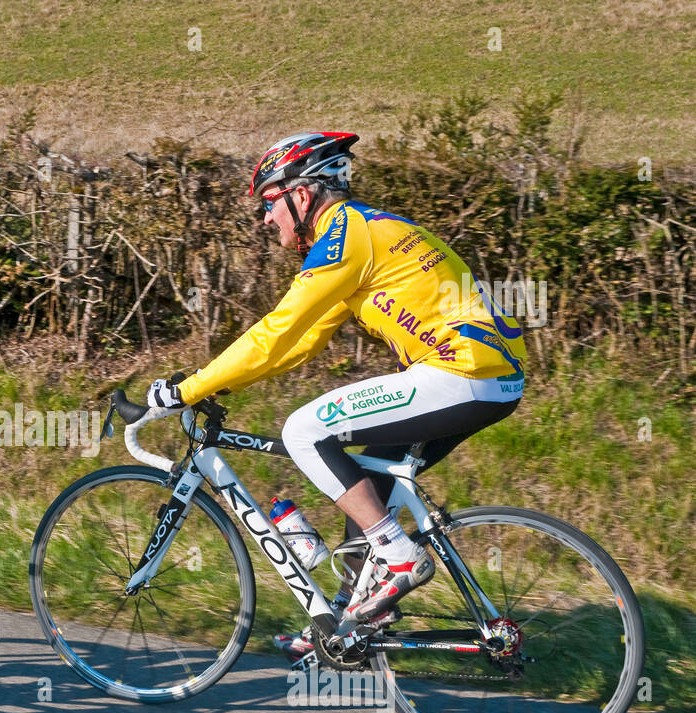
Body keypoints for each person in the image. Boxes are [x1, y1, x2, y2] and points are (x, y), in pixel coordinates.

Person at [145, 132, 526, 666]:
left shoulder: (345, 236)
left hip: (460, 372)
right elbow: (301, 342)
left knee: (304, 431)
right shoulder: (366, 230)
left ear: (301, 195)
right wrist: (218, 383)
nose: (265, 219)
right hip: (490, 378)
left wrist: (184, 390)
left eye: (269, 202)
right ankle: (350, 621)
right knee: (367, 479)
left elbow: (276, 331)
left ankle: (399, 558)